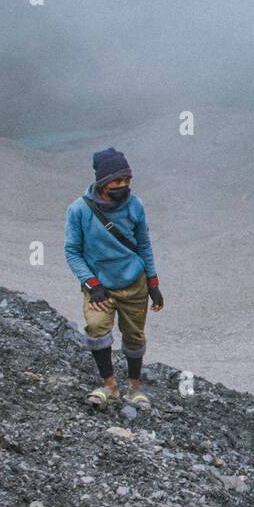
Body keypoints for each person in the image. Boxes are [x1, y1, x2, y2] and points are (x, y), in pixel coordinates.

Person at [63, 146, 164, 407]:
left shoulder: (135, 206)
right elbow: (72, 251)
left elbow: (144, 245)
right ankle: (110, 386)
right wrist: (92, 284)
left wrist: (153, 283)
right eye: (118, 180)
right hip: (100, 287)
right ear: (103, 181)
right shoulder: (79, 210)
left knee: (134, 336)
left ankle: (134, 389)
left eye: (127, 180)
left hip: (134, 284)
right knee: (96, 329)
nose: (124, 186)